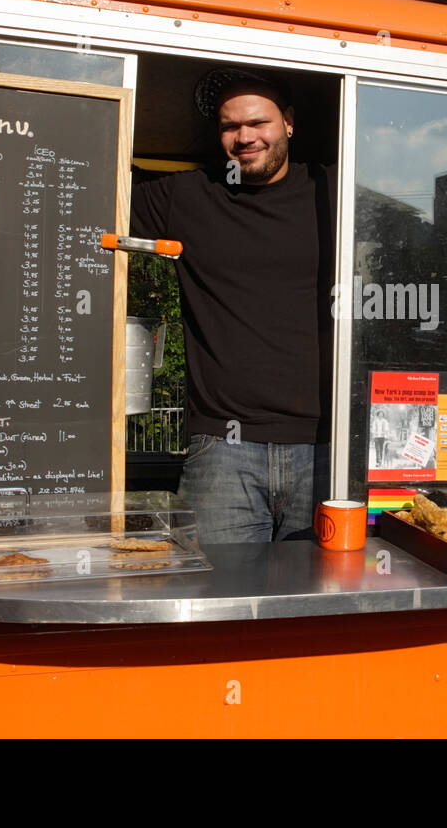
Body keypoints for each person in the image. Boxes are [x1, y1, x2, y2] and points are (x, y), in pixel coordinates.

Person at [130, 67, 333, 543]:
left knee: (322, 605)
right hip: (221, 449)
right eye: (229, 126)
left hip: (326, 444)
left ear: (288, 123)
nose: (244, 137)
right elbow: (81, 186)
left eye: (258, 123)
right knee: (214, 602)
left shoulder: (333, 195)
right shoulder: (186, 197)